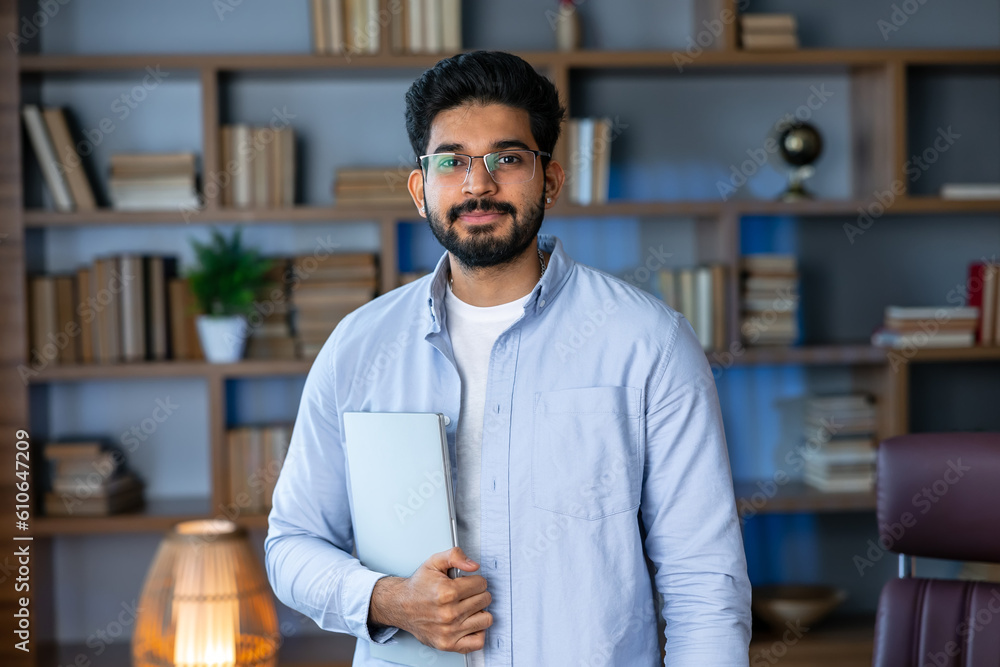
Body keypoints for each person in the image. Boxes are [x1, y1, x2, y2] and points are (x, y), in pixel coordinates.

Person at [265, 49, 751, 666]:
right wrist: (387, 600)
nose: (479, 184)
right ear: (420, 189)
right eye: (452, 162)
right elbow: (292, 545)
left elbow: (704, 584)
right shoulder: (359, 346)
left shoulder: (647, 343)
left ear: (549, 178)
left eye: (507, 158)